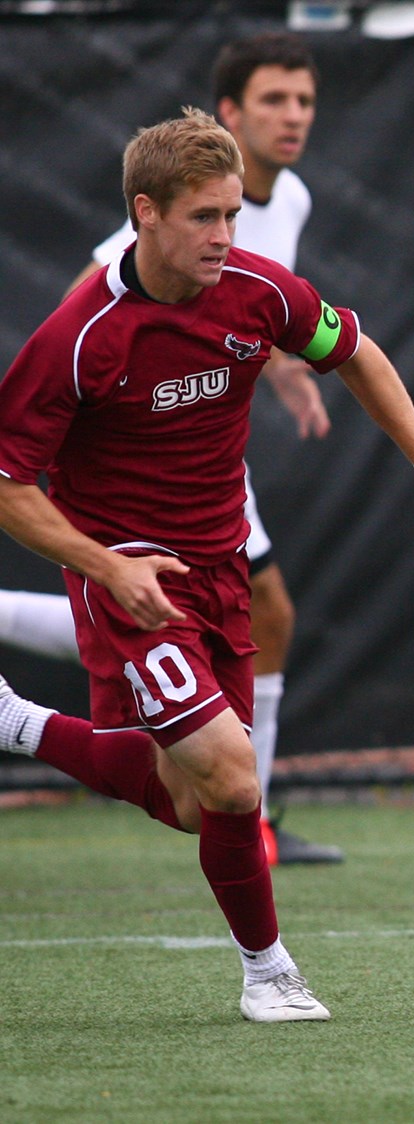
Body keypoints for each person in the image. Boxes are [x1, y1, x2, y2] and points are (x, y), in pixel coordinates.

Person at [0, 108, 414, 1021]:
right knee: (236, 778)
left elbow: (355, 353)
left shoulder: (259, 292)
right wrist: (104, 568)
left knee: (198, 806)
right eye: (204, 217)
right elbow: (6, 483)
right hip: (133, 581)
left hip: (221, 567)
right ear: (145, 213)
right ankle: (269, 973)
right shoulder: (82, 334)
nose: (225, 237)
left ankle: (21, 724)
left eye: (233, 215)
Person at [0, 33, 341, 864]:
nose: (292, 116)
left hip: (215, 453)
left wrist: (289, 371)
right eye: (272, 100)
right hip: (149, 471)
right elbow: (105, 308)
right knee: (239, 615)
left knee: (262, 630)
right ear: (231, 113)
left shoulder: (287, 199)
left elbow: (248, 317)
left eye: (303, 99)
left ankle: (245, 800)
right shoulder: (164, 219)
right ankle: (250, 810)